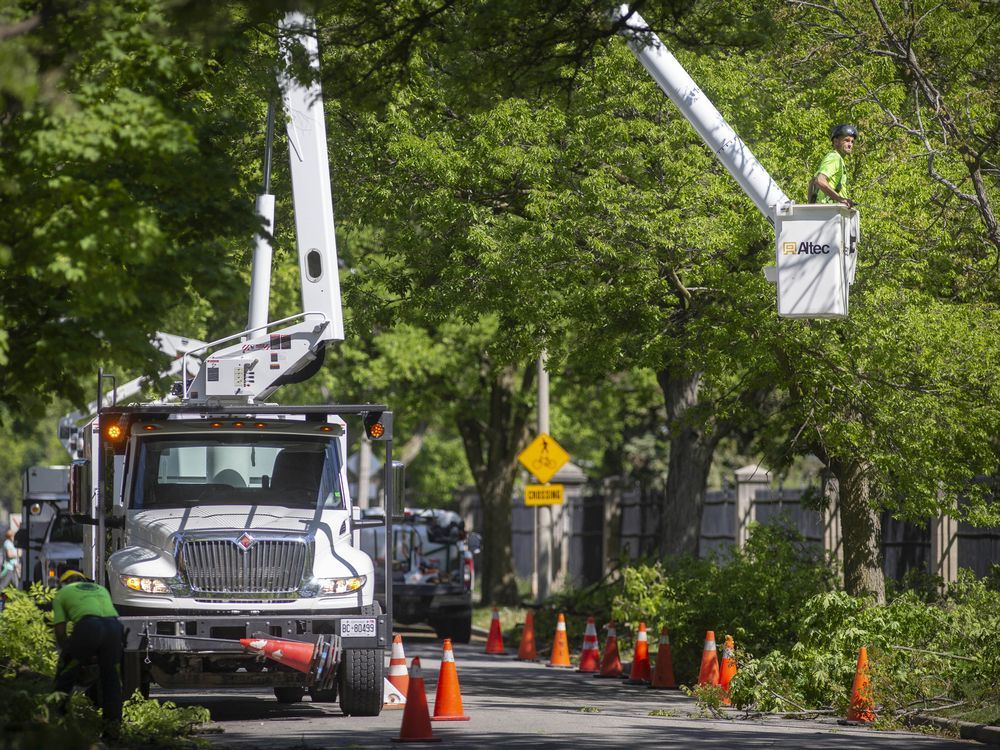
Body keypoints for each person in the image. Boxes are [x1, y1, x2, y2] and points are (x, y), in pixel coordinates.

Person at [52, 570, 124, 734]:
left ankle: (57, 721)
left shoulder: (62, 593)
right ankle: (113, 729)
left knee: (65, 675)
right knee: (111, 680)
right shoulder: (100, 589)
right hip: (114, 628)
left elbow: (60, 631)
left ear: (63, 583)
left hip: (88, 627)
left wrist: (70, 654)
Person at [809, 124, 857, 207]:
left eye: (852, 141)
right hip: (831, 212)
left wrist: (811, 206)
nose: (850, 144)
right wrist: (840, 199)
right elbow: (819, 180)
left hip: (829, 211)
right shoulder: (834, 157)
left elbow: (812, 182)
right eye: (846, 140)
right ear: (836, 142)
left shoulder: (837, 158)